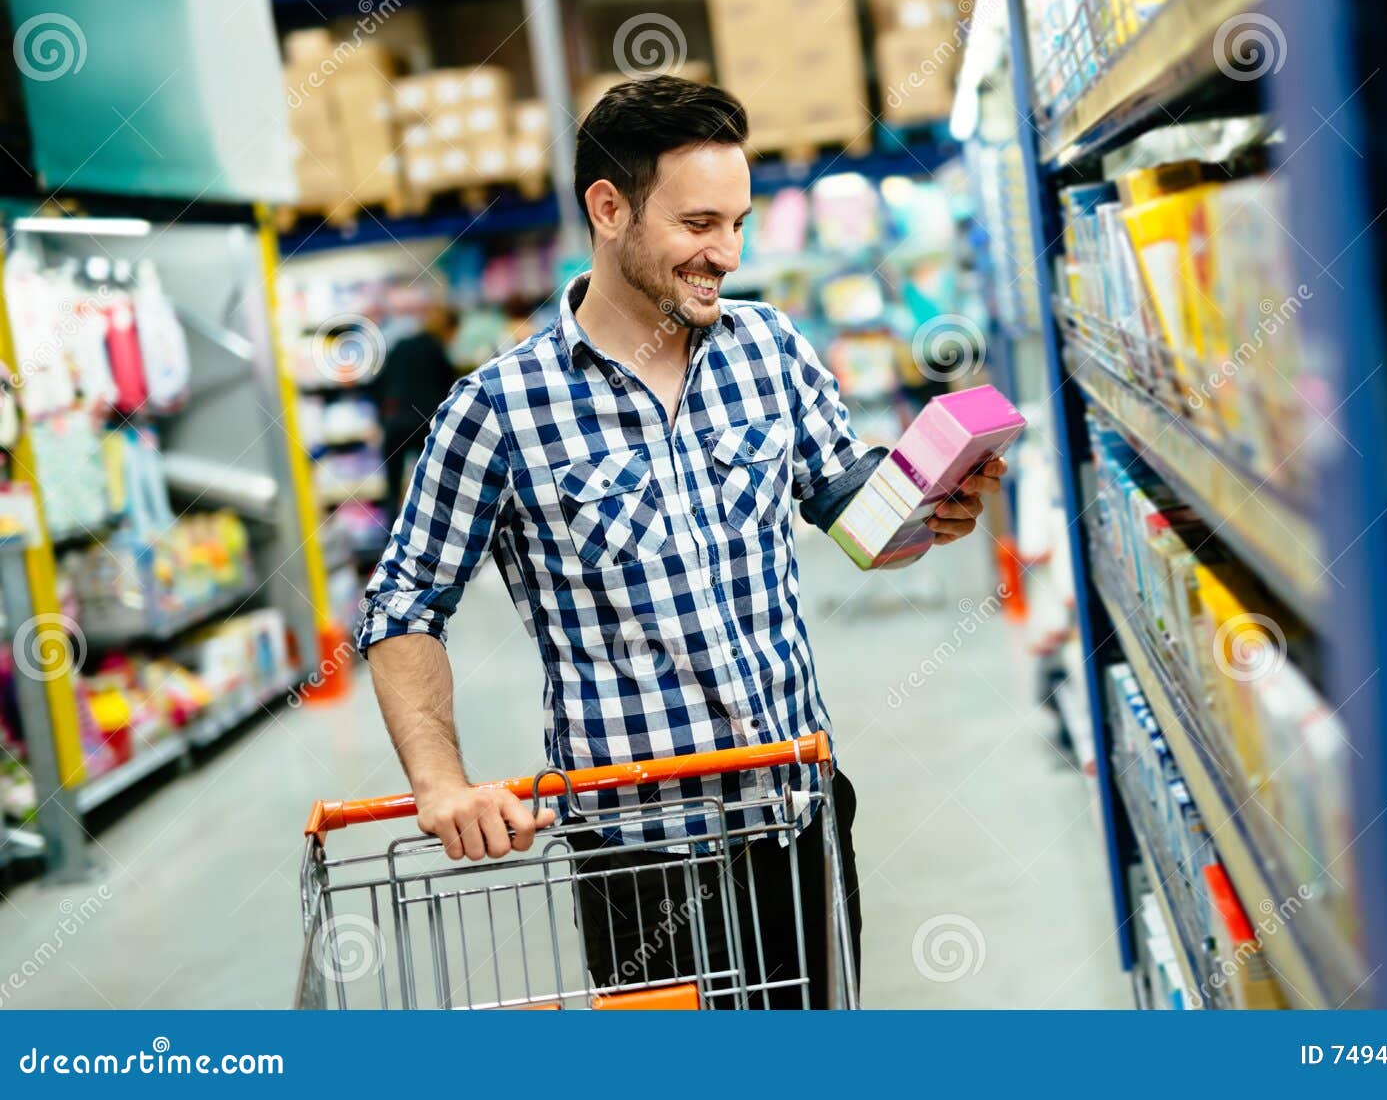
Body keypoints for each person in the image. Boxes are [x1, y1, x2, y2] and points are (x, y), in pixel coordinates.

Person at [356, 76, 1005, 1008]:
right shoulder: (499, 410)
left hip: (796, 814)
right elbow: (403, 601)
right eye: (700, 223)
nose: (727, 254)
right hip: (638, 862)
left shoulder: (769, 348)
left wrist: (926, 510)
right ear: (609, 207)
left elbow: (850, 514)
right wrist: (440, 781)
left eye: (739, 223)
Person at [376, 304, 459, 521]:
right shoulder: (436, 350)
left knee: (393, 488)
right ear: (449, 329)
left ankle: (392, 537)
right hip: (426, 424)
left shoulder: (401, 345)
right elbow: (450, 390)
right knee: (432, 485)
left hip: (395, 424)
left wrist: (381, 419)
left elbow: (380, 383)